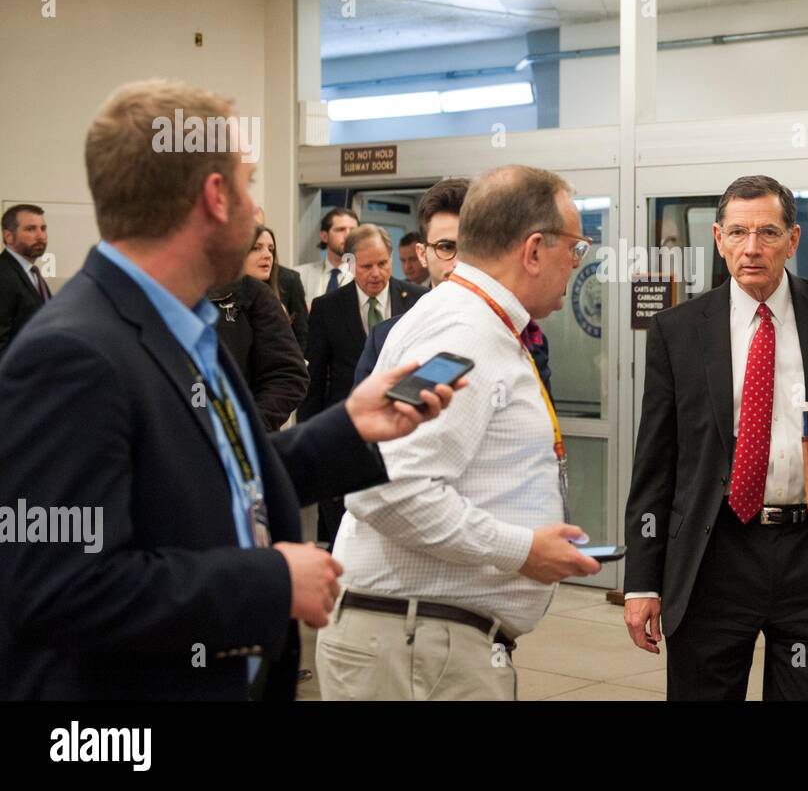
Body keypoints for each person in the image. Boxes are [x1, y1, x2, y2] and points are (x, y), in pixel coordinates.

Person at [0, 79, 461, 701]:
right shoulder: (73, 354)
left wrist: (350, 426)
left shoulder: (188, 327)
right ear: (215, 197)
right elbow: (61, 589)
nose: (254, 209)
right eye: (247, 183)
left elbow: (221, 483)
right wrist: (271, 580)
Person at [317, 165, 601, 701]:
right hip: (414, 645)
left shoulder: (476, 322)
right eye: (575, 247)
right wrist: (522, 550)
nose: (574, 263)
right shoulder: (463, 333)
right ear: (533, 250)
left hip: (425, 641)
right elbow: (388, 489)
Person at [624, 175, 808, 700]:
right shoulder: (678, 330)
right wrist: (642, 582)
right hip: (712, 555)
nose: (752, 248)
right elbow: (655, 462)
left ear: (793, 240)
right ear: (718, 238)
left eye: (768, 233)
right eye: (738, 233)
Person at [302, 223, 428, 546]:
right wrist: (313, 442)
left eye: (383, 263)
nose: (376, 273)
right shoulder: (328, 308)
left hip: (402, 435)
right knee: (343, 532)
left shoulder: (417, 300)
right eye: (367, 265)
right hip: (344, 432)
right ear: (349, 265)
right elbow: (314, 383)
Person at [354, 177, 469, 383]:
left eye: (470, 248)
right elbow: (362, 413)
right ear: (423, 254)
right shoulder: (385, 338)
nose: (458, 263)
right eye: (446, 247)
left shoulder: (516, 333)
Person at [207, 274, 309, 431]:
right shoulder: (160, 292)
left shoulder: (253, 293)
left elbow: (287, 373)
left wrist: (249, 428)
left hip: (237, 438)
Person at [246, 224, 308, 353]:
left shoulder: (280, 293)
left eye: (271, 249)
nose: (267, 255)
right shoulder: (223, 300)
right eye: (256, 248)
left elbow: (301, 341)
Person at [0, 203, 50, 357]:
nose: (41, 235)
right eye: (30, 229)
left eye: (43, 228)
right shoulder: (3, 274)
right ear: (9, 237)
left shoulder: (32, 272)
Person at [294, 207, 358, 305]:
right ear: (324, 236)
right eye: (341, 229)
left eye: (353, 230)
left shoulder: (364, 276)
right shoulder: (299, 274)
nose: (348, 235)